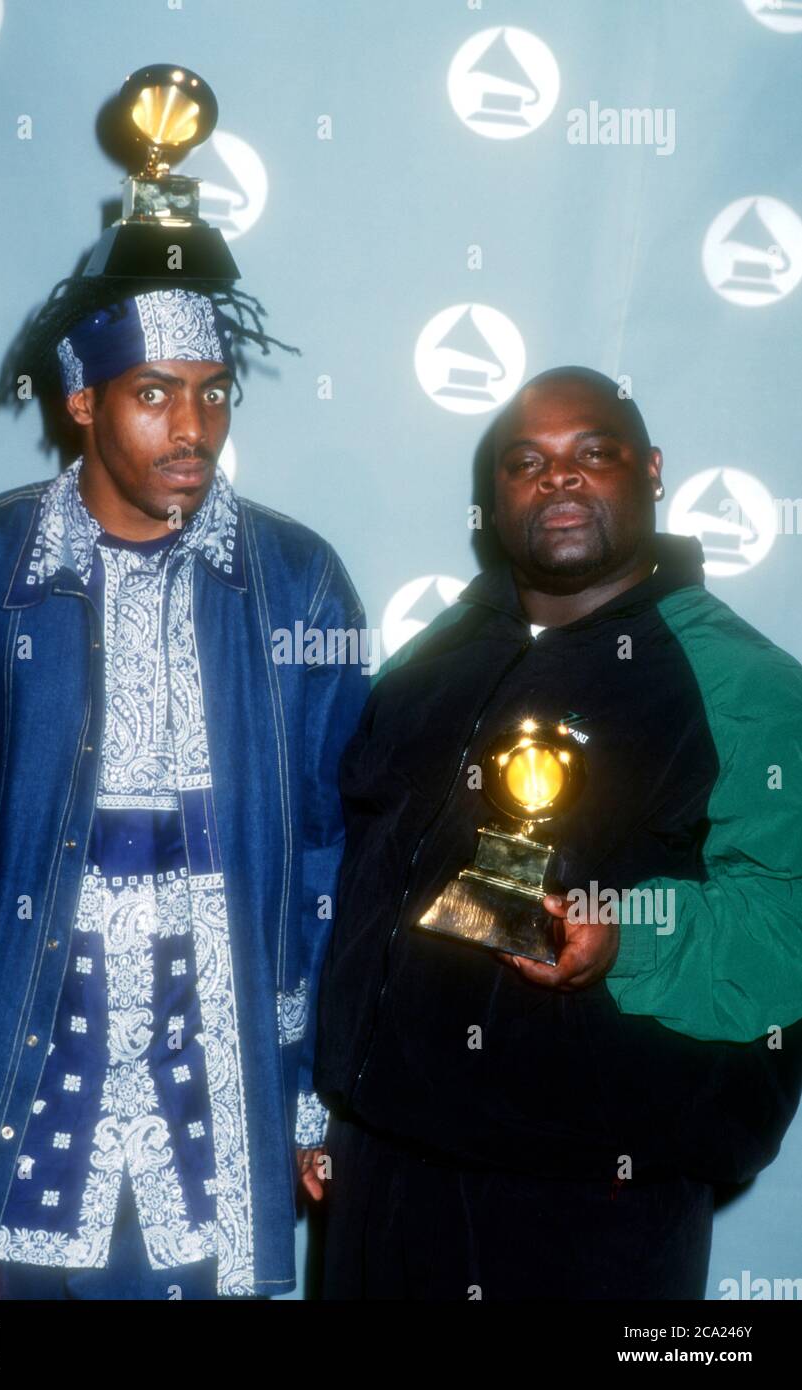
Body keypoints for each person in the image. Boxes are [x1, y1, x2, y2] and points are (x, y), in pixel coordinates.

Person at [0, 276, 369, 1300]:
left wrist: (313, 1086)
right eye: (154, 392)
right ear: (80, 399)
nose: (192, 427)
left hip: (215, 1079)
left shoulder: (299, 581)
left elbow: (328, 852)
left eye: (215, 393)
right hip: (4, 1048)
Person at [314, 366, 802, 1301]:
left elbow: (785, 921)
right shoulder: (432, 661)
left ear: (651, 470)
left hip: (597, 1195)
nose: (559, 479)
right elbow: (361, 881)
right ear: (493, 497)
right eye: (525, 463)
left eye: (592, 453)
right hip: (388, 1171)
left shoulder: (742, 684)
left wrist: (625, 940)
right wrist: (334, 1097)